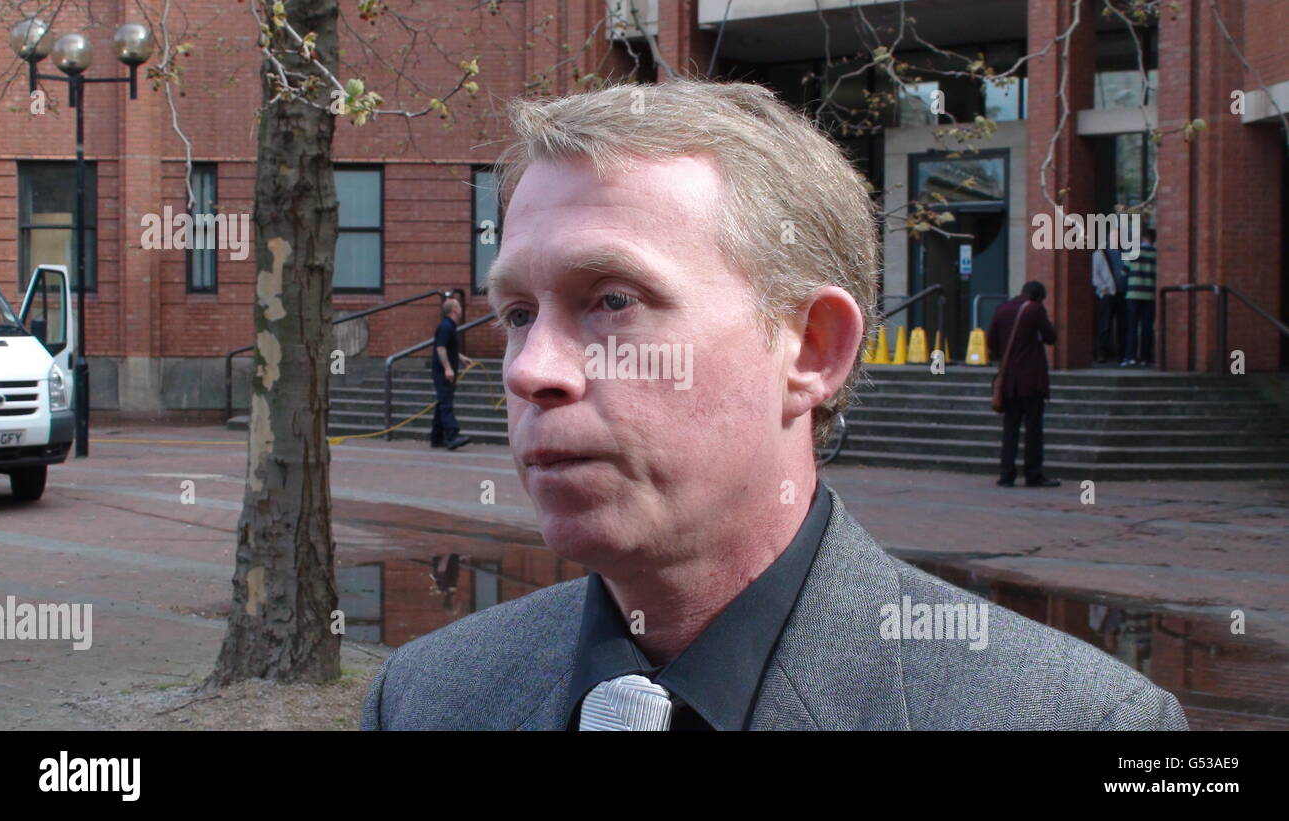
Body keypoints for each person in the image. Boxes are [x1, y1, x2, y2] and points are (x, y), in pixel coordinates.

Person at [363, 80, 1187, 731]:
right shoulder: (424, 698)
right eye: (516, 315)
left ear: (812, 347)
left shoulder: (1076, 720)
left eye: (612, 299)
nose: (532, 368)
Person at [988, 281, 1060, 489]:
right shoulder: (1035, 310)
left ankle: (1006, 474)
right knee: (1033, 429)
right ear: (1038, 297)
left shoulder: (1002, 309)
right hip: (1032, 380)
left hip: (1009, 380)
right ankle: (1033, 474)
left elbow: (991, 341)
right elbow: (1050, 337)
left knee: (1010, 428)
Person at [429, 297, 473, 450]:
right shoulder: (446, 326)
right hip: (442, 373)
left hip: (445, 371)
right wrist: (447, 368)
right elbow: (440, 348)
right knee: (446, 403)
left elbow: (448, 348)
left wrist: (461, 357)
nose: (461, 309)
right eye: (459, 307)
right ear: (454, 310)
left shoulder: (450, 326)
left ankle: (436, 437)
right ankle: (452, 436)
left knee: (442, 403)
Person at [1122, 227, 1158, 367]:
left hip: (1133, 293)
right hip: (1149, 294)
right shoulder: (1155, 254)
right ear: (1153, 238)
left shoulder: (1132, 251)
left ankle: (1130, 356)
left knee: (1131, 326)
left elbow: (1124, 272)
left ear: (1142, 238)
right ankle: (1145, 357)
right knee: (1147, 327)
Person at [1091, 245, 1121, 363]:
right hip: (1107, 294)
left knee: (1121, 325)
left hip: (1121, 293)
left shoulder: (1123, 252)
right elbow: (1095, 275)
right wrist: (1104, 288)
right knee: (1105, 324)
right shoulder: (1099, 254)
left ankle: (1119, 352)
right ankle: (1102, 352)